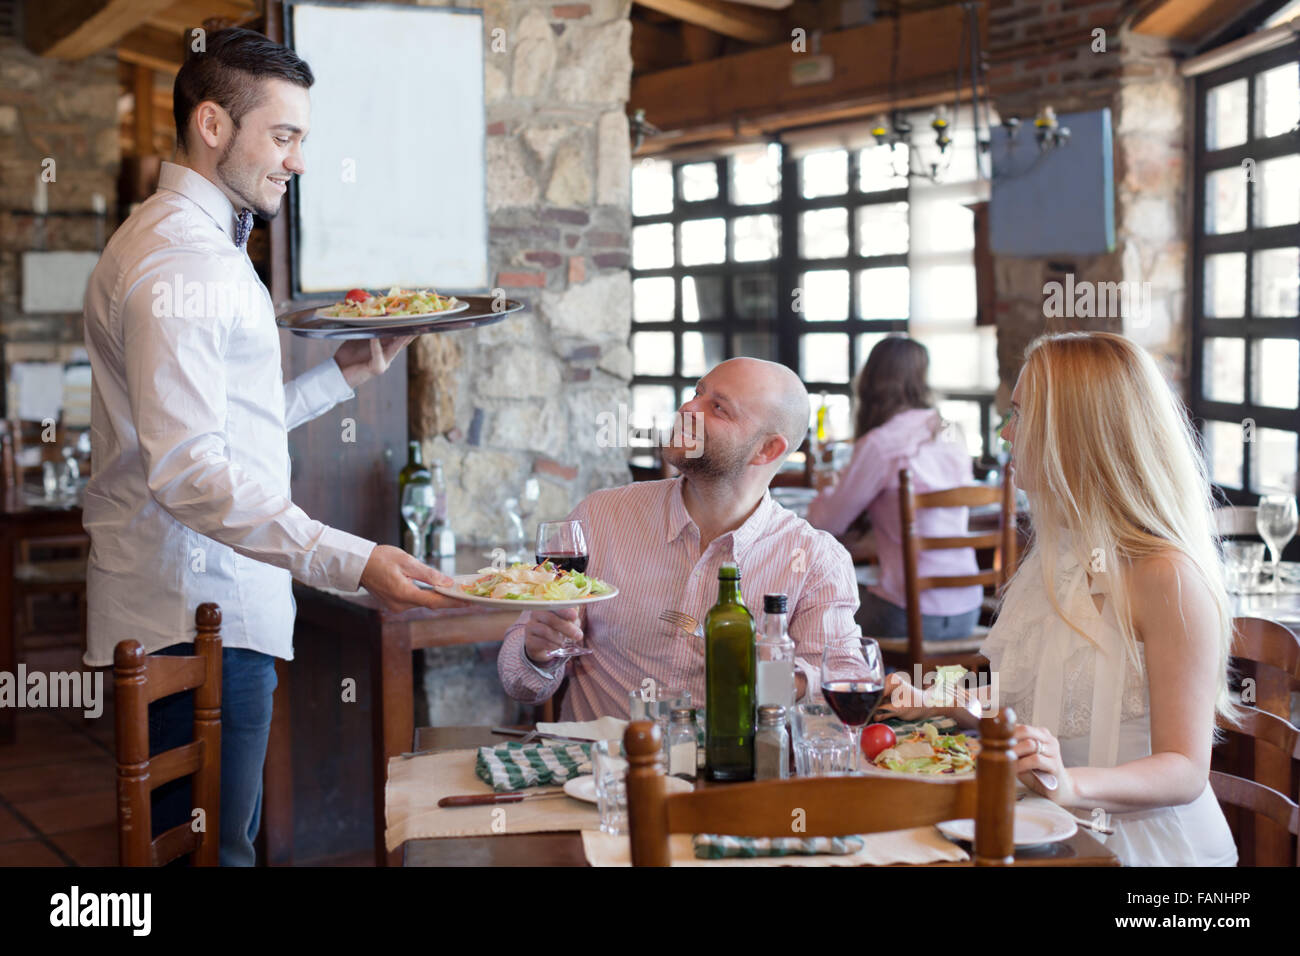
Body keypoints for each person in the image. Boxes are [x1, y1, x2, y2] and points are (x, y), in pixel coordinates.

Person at [82, 29, 462, 866]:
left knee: (213, 848)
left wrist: (340, 377)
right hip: (194, 618)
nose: (296, 160)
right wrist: (350, 558)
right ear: (212, 124)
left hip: (192, 607)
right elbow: (187, 468)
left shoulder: (186, 241)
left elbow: (217, 427)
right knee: (213, 856)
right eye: (283, 136)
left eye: (302, 139)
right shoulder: (180, 259)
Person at [882, 332, 1239, 867]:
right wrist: (944, 694)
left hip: (1146, 854)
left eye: (1021, 415)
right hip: (1047, 832)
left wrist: (1067, 782)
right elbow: (1030, 689)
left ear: (1075, 432)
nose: (1005, 433)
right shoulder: (1057, 549)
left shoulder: (1168, 575)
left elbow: (1185, 770)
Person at [497, 358, 860, 719]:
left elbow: (844, 685)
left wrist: (770, 679)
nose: (687, 409)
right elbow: (520, 684)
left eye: (717, 408)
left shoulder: (815, 559)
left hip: (739, 772)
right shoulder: (599, 518)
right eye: (696, 393)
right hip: (602, 769)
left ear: (767, 450)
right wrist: (536, 652)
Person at [806, 336, 982, 641]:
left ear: (871, 382)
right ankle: (897, 685)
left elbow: (826, 523)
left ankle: (858, 685)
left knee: (812, 606)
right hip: (967, 611)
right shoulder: (951, 434)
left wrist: (827, 490)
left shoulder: (879, 444)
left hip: (908, 616)